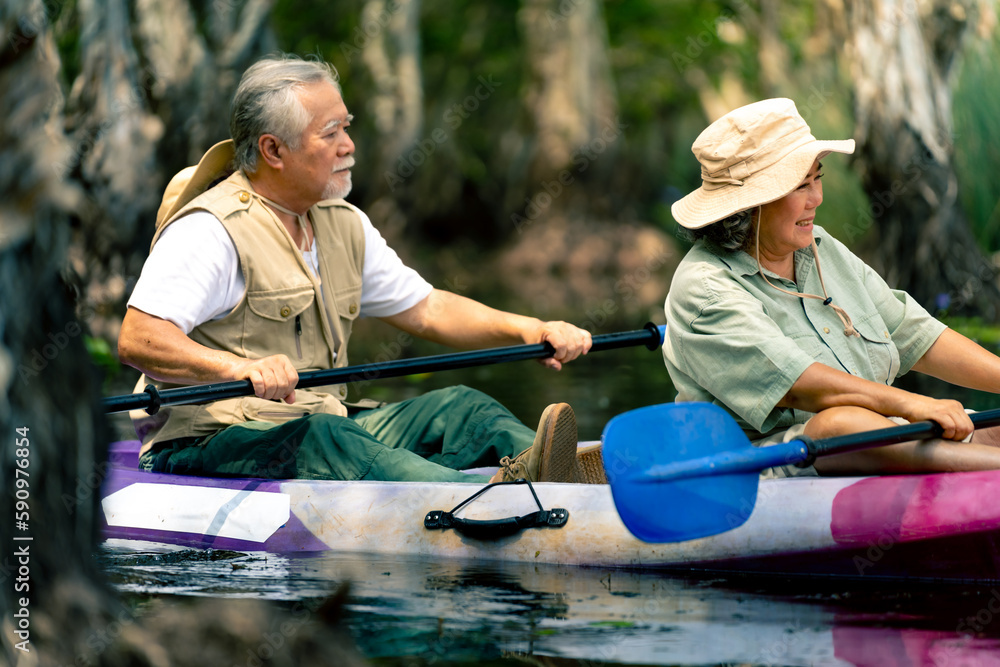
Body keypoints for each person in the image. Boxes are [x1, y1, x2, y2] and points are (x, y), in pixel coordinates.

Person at [117, 54, 595, 485]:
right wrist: (240, 368)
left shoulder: (343, 222)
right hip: (207, 439)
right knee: (326, 436)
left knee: (463, 409)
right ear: (273, 151)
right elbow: (139, 339)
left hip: (324, 421)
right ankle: (492, 496)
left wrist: (529, 329)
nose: (348, 145)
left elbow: (427, 310)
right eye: (330, 133)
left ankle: (568, 477)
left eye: (347, 127)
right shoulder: (212, 230)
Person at [663, 97, 1000, 477]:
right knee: (840, 424)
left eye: (817, 178)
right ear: (749, 205)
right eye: (799, 186)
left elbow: (912, 334)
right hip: (769, 467)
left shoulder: (818, 245)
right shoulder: (704, 288)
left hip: (884, 429)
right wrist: (914, 404)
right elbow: (799, 385)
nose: (817, 198)